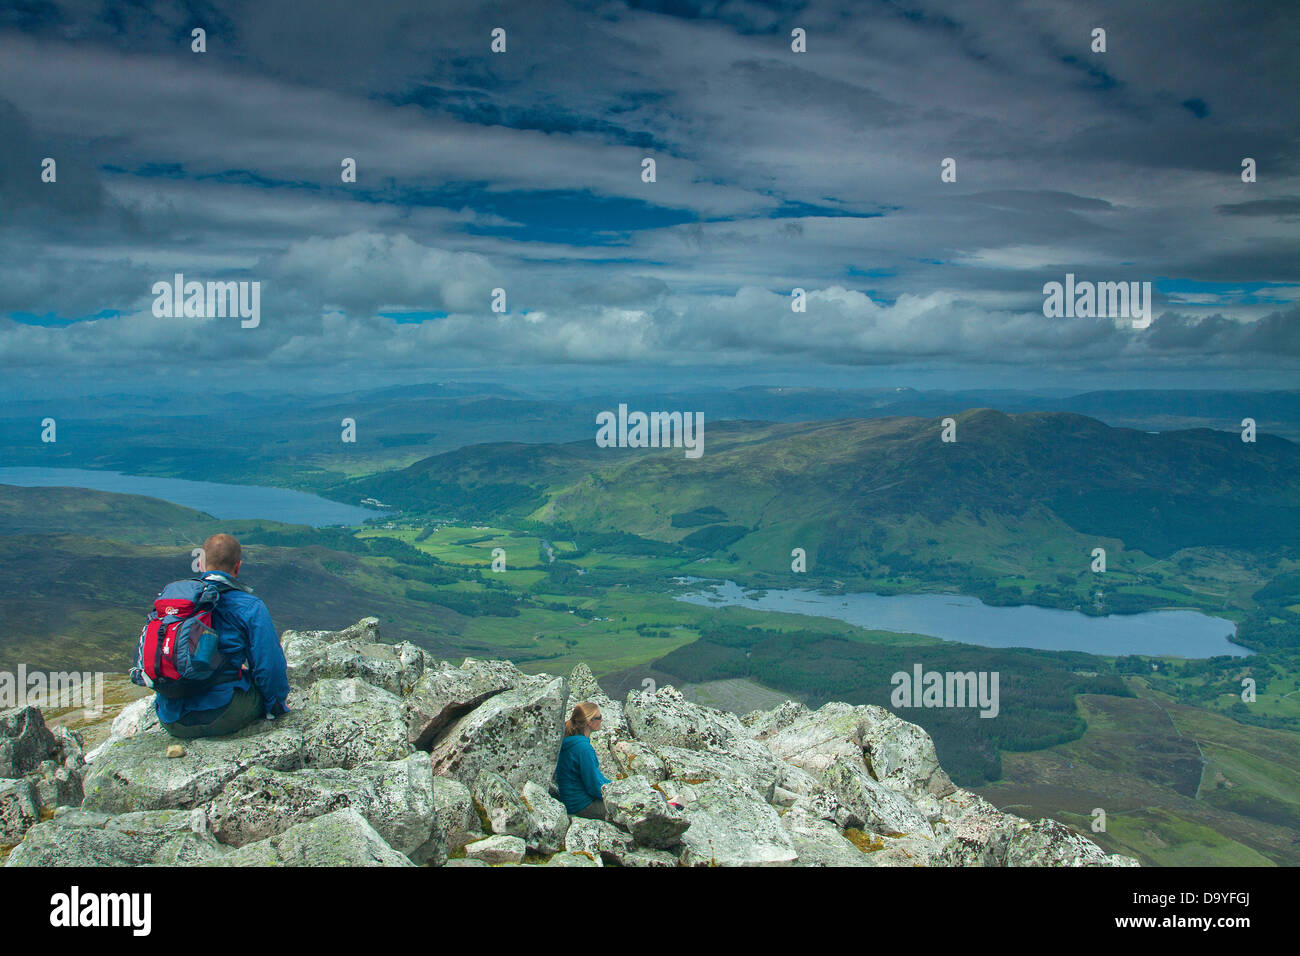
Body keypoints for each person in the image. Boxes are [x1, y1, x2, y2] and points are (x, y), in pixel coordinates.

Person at [154, 533, 290, 739]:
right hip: (222, 714)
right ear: (238, 566)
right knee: (251, 684)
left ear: (200, 564)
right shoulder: (250, 606)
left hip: (171, 719)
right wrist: (276, 707)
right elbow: (269, 665)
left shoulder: (173, 602)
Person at [555, 701, 610, 818]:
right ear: (589, 722)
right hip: (583, 806)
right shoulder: (584, 749)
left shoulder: (570, 741)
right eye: (599, 717)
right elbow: (594, 786)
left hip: (571, 802)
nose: (602, 720)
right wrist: (617, 794)